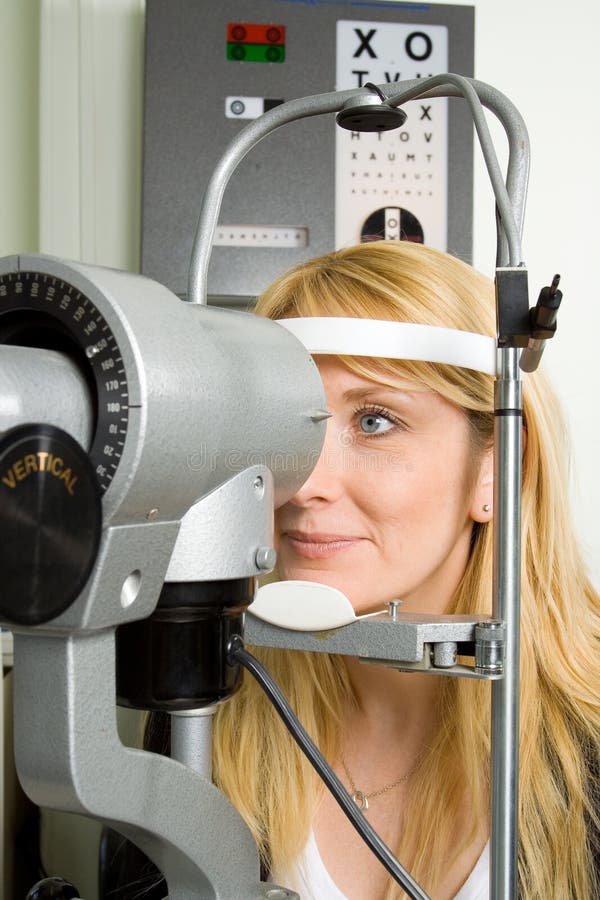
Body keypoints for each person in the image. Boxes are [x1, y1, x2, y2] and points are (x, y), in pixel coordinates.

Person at [212, 240, 600, 899]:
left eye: (374, 421)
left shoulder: (584, 747)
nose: (306, 484)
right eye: (285, 426)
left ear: (496, 468)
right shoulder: (211, 710)